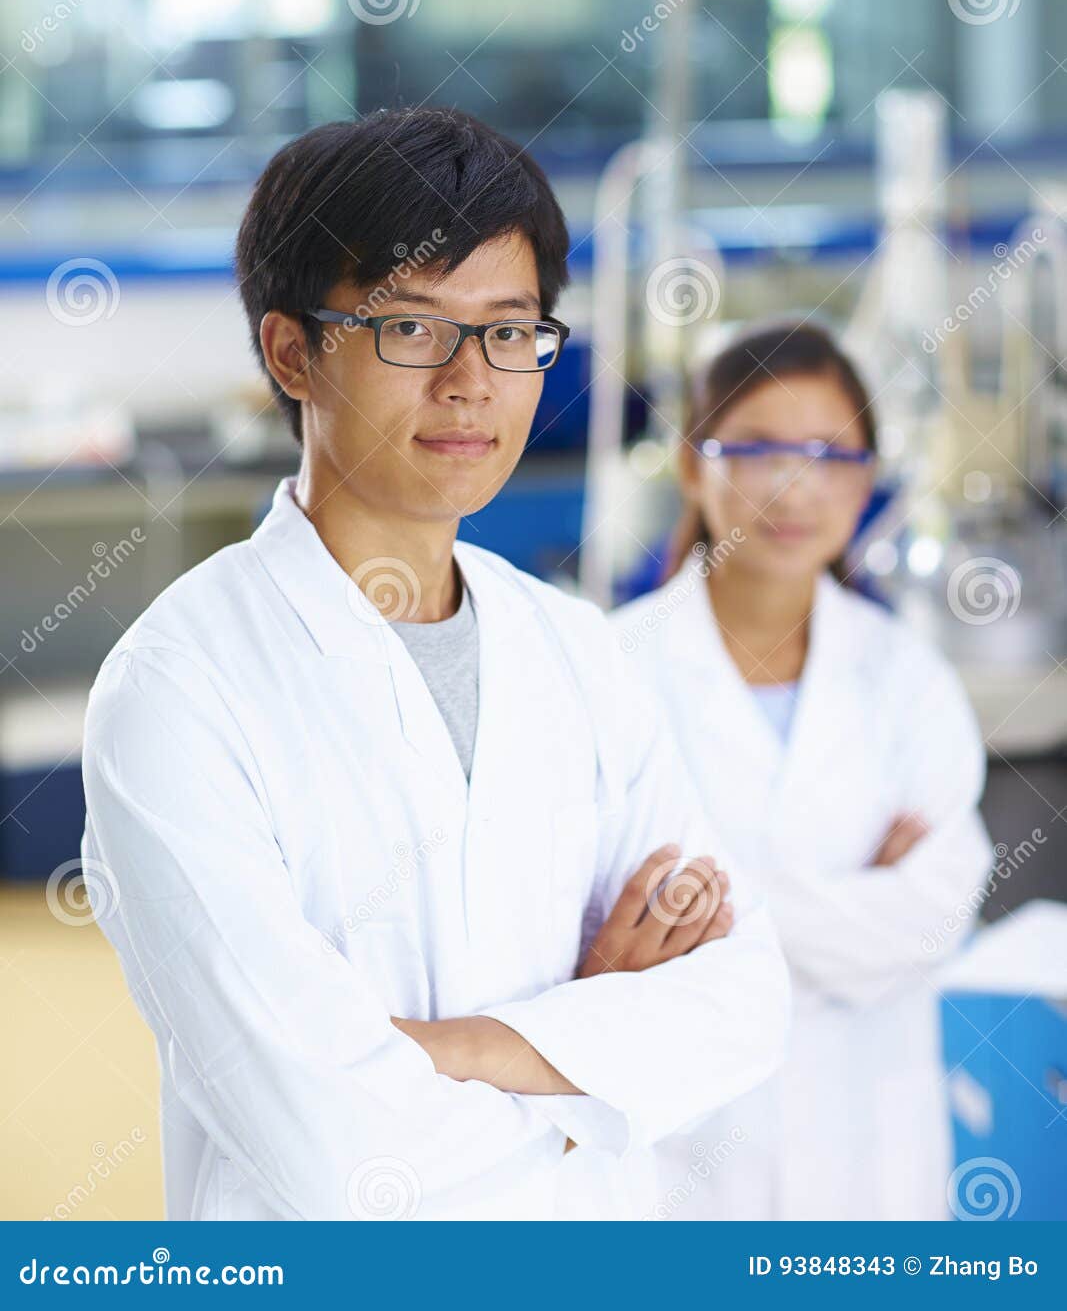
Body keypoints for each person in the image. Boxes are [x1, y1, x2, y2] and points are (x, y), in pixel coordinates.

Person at [80, 108, 789, 1222]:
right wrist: (597, 1051)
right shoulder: (178, 691)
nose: (471, 382)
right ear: (290, 350)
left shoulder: (575, 649)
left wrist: (446, 1051)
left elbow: (744, 1000)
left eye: (508, 331)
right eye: (412, 329)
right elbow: (335, 1152)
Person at [612, 319, 994, 1221]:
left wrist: (710, 925)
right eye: (758, 450)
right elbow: (594, 914)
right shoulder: (609, 669)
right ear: (693, 465)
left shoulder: (904, 674)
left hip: (872, 1146)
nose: (796, 487)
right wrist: (856, 901)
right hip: (682, 1158)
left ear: (867, 479)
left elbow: (937, 908)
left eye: (832, 456)